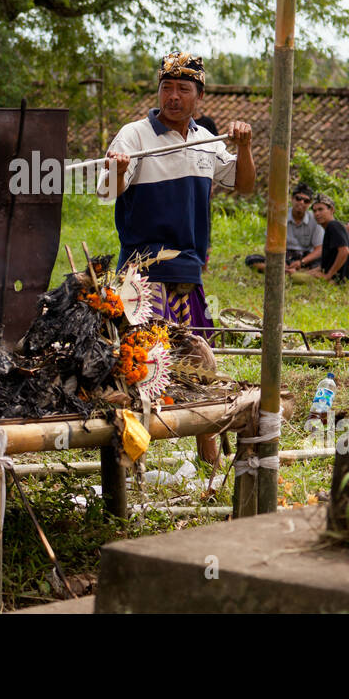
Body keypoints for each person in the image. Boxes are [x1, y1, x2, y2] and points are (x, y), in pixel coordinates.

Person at [98, 51, 255, 461]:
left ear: (199, 95)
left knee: (199, 366)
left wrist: (246, 146)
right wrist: (116, 168)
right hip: (140, 275)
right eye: (166, 87)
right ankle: (133, 465)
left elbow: (244, 184)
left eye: (183, 89)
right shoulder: (133, 137)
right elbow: (108, 191)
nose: (173, 96)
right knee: (139, 368)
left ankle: (209, 465)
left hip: (187, 272)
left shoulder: (206, 140)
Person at [249, 183, 323, 274]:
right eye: (298, 198)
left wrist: (302, 262)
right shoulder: (279, 216)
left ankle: (282, 271)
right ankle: (287, 271)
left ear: (309, 204)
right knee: (252, 259)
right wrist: (279, 261)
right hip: (283, 254)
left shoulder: (315, 220)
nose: (301, 203)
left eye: (306, 201)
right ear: (292, 199)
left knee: (323, 261)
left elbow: (319, 249)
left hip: (305, 257)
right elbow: (269, 243)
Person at [309, 194, 349, 283]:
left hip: (344, 280)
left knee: (296, 278)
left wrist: (328, 276)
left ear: (331, 210)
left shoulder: (333, 225)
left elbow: (344, 251)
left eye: (320, 209)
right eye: (314, 211)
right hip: (346, 279)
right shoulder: (331, 228)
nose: (317, 213)